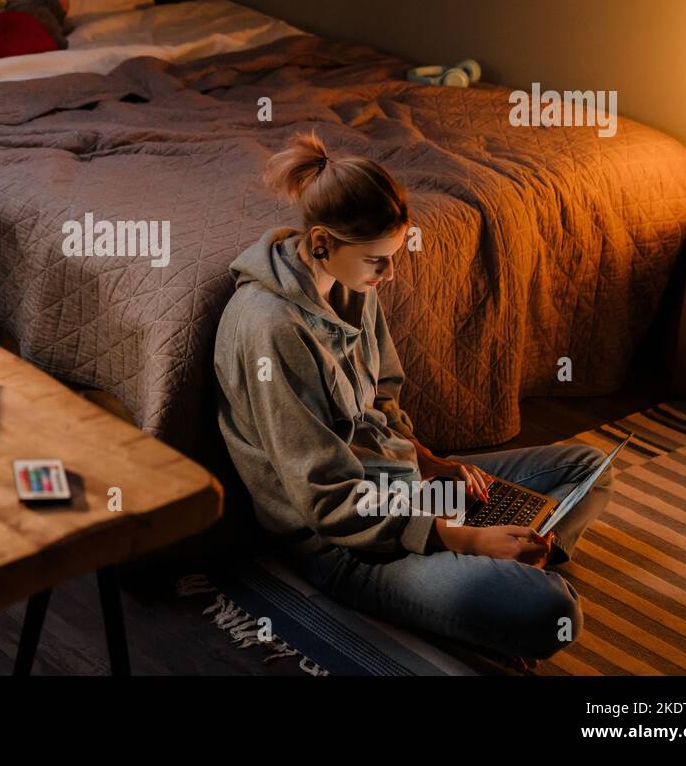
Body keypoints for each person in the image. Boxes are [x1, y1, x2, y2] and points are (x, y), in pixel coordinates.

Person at [213, 130, 614, 662]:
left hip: (408, 488)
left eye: (393, 255)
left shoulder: (351, 283)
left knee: (588, 469)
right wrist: (461, 538)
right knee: (552, 614)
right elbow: (327, 502)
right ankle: (482, 566)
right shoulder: (272, 327)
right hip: (348, 542)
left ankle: (489, 561)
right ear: (320, 244)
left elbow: (383, 402)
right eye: (377, 259)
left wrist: (429, 463)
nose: (390, 272)